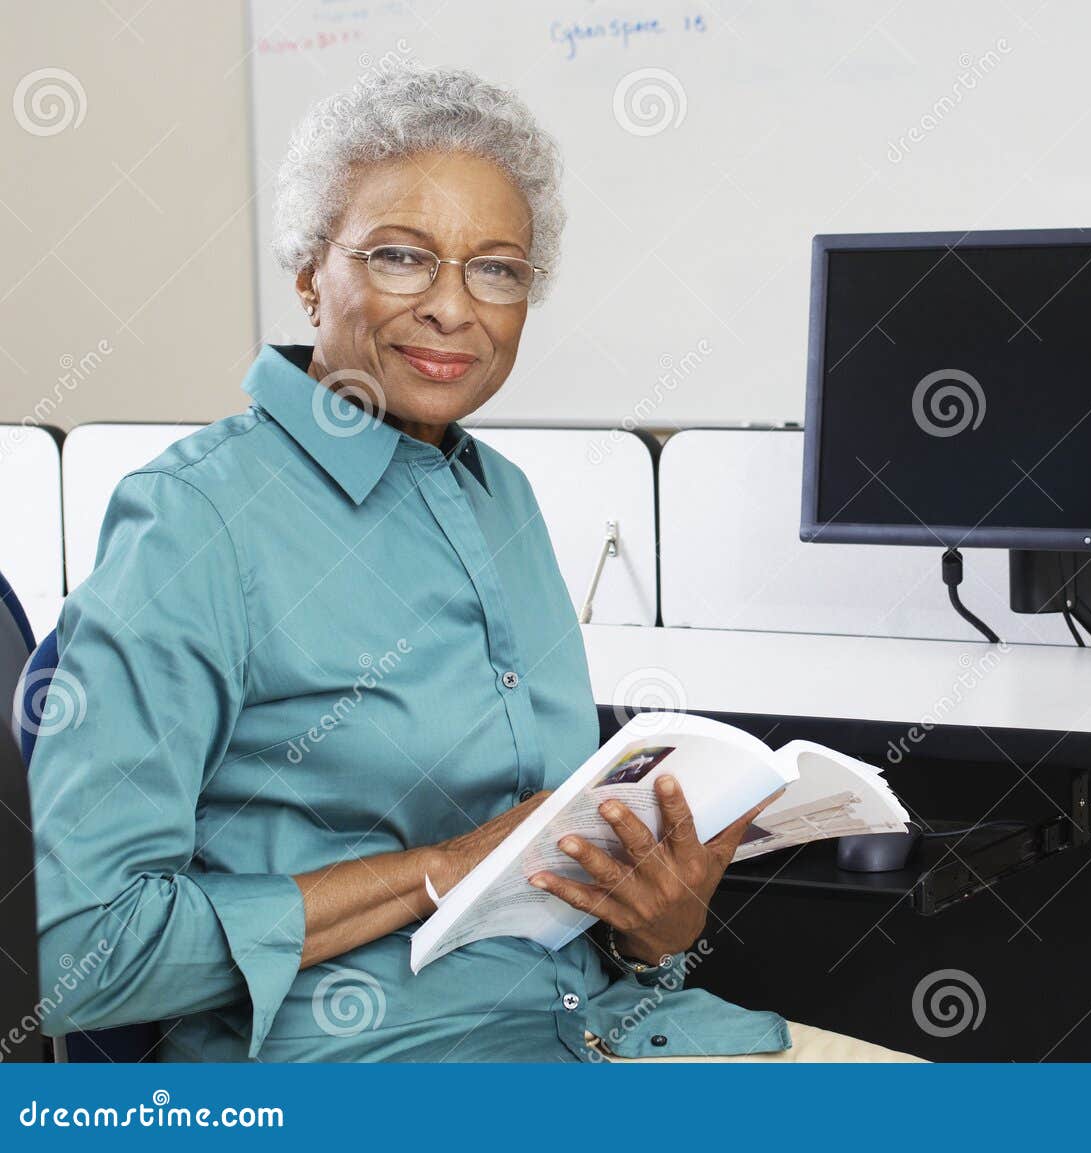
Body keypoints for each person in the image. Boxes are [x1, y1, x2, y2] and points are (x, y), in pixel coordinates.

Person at [30, 65, 916, 1063]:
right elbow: (76, 955)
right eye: (402, 257)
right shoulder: (196, 519)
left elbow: (565, 896)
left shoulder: (504, 500)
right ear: (310, 274)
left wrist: (653, 928)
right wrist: (440, 868)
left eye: (497, 270)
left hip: (605, 1037)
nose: (454, 308)